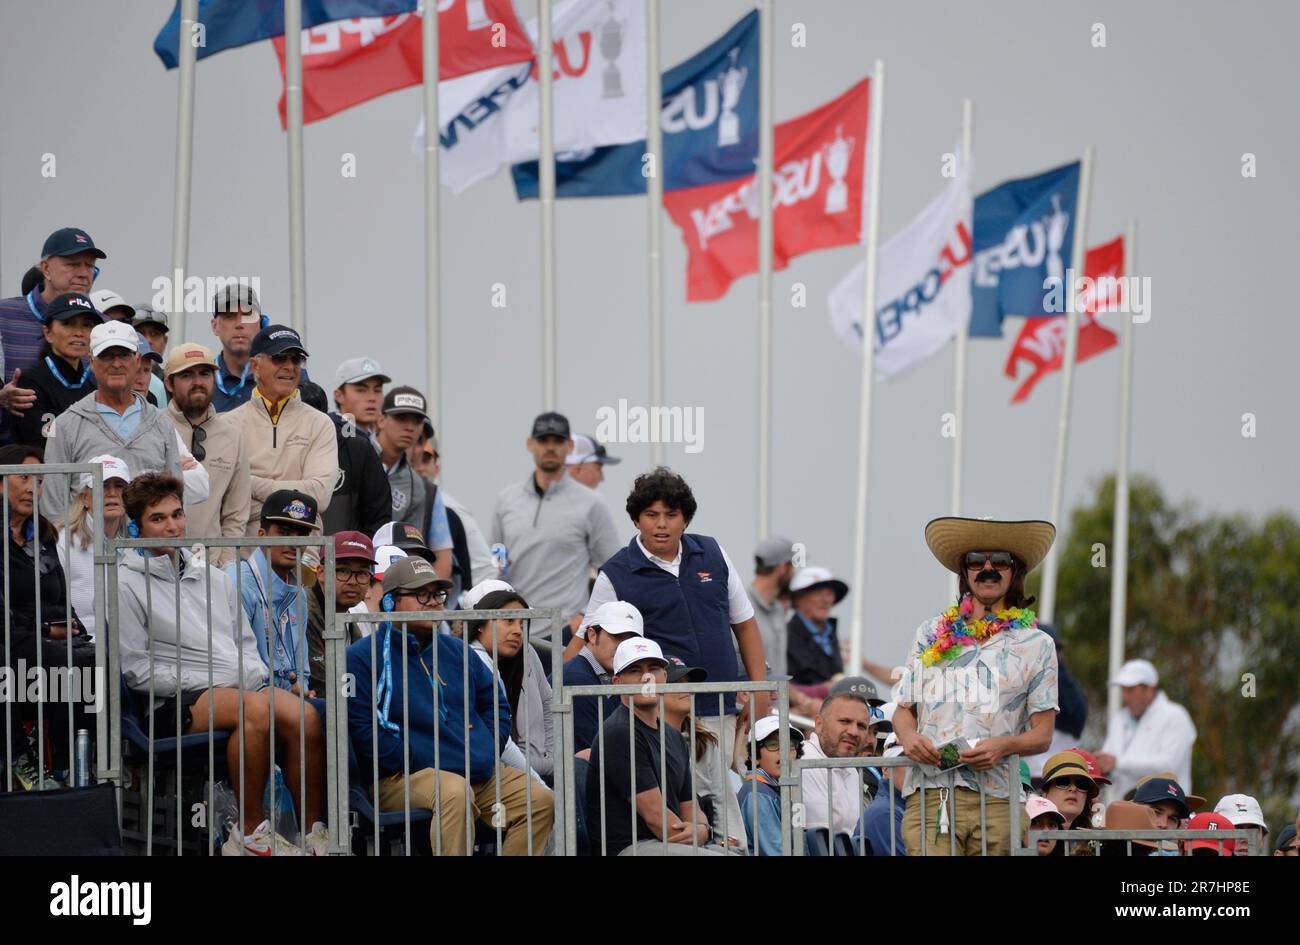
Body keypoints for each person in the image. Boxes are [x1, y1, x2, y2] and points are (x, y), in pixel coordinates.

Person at [115, 472, 328, 856]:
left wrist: (248, 678)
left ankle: (311, 836)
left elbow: (245, 646)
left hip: (231, 689)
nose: (172, 526)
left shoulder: (214, 578)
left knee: (306, 716)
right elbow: (136, 670)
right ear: (137, 527)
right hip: (167, 703)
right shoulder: (124, 583)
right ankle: (248, 833)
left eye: (177, 514)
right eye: (158, 518)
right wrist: (214, 679)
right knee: (255, 707)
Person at [580, 467, 768, 806]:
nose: (661, 524)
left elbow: (745, 624)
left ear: (686, 519)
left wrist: (760, 690)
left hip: (721, 707)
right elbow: (588, 640)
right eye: (651, 514)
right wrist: (557, 686)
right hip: (661, 714)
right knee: (679, 802)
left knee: (721, 802)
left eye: (671, 514)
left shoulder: (713, 552)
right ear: (636, 520)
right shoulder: (615, 573)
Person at [346, 556, 553, 856]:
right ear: (390, 603)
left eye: (438, 594)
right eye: (422, 594)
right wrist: (411, 758)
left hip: (473, 771)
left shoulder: (457, 650)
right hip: (401, 778)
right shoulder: (362, 657)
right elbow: (361, 727)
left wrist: (486, 747)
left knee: (540, 800)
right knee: (453, 791)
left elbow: (495, 704)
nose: (433, 602)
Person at [894, 517, 1058, 857]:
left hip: (999, 799)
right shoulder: (930, 632)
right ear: (964, 572)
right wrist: (909, 738)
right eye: (976, 560)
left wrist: (1003, 745)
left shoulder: (1038, 644)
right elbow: (903, 711)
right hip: (932, 794)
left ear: (1015, 570)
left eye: (1000, 560)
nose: (987, 569)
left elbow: (1043, 735)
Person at [0, 444, 95, 790]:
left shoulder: (42, 535)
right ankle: (26, 760)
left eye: (38, 481)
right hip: (13, 642)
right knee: (72, 665)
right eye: (23, 478)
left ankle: (75, 765)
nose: (32, 488)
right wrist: (44, 630)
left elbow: (61, 597)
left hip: (46, 642)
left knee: (97, 661)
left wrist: (75, 627)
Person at [585, 637, 720, 856]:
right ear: (617, 682)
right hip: (631, 848)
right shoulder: (619, 732)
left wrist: (702, 829)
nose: (646, 677)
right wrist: (697, 837)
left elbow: (690, 807)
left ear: (664, 677)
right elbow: (657, 819)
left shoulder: (674, 736)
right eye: (635, 670)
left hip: (668, 844)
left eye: (654, 669)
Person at [494, 412, 620, 643]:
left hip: (564, 633)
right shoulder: (506, 500)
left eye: (558, 441)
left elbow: (614, 569)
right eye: (543, 440)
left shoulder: (591, 503)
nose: (550, 447)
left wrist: (586, 615)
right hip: (513, 632)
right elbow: (495, 561)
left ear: (569, 446)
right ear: (530, 444)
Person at [41, 320, 184, 522]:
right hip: (85, 542)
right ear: (91, 361)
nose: (116, 364)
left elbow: (176, 498)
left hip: (149, 543)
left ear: (137, 359)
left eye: (124, 355)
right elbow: (53, 505)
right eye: (106, 356)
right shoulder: (65, 425)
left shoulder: (162, 423)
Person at [230, 324, 336, 532]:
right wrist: (295, 500)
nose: (289, 366)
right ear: (255, 366)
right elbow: (226, 499)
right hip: (246, 547)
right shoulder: (229, 424)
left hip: (303, 547)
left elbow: (320, 496)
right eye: (279, 358)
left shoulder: (320, 424)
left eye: (296, 359)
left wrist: (248, 483)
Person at [0, 229, 105, 431]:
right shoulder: (3, 315)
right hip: (12, 446)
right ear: (46, 269)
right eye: (73, 264)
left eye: (90, 265)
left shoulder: (105, 325)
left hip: (89, 443)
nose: (83, 273)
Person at [226, 490, 322, 694]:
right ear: (262, 535)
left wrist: (301, 691)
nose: (293, 543)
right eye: (284, 533)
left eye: (301, 535)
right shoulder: (237, 581)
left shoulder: (299, 594)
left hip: (287, 698)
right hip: (250, 698)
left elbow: (302, 669)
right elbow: (233, 663)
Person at [164, 343, 251, 566]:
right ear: (169, 383)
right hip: (158, 564)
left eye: (205, 374)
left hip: (212, 569)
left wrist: (226, 565)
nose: (198, 382)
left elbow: (236, 514)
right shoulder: (154, 427)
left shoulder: (232, 435)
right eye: (187, 375)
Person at [463, 582, 554, 783]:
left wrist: (553, 758)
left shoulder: (526, 652)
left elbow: (550, 704)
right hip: (496, 775)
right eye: (508, 620)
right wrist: (538, 782)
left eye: (522, 623)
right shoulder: (473, 661)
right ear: (479, 622)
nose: (518, 631)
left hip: (536, 767)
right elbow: (500, 743)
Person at [659, 656, 746, 852]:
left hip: (708, 844)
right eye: (675, 683)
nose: (685, 688)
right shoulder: (643, 740)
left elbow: (722, 800)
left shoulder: (704, 741)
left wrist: (731, 843)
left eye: (687, 683)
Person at [374, 387, 452, 578]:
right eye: (401, 418)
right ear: (381, 420)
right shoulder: (357, 457)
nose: (409, 427)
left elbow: (424, 552)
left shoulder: (419, 487)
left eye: (417, 421)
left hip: (393, 579)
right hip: (347, 572)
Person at [297, 379, 390, 538]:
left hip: (345, 553)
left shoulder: (356, 449)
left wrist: (356, 551)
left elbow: (378, 519)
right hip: (286, 551)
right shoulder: (269, 448)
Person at [1097, 658, 1197, 800]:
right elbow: (1111, 765)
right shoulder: (1119, 719)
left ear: (1149, 690)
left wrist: (1117, 763)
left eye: (1130, 690)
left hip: (1167, 807)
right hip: (1123, 808)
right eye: (1123, 690)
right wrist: (1101, 767)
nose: (1125, 697)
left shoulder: (1175, 715)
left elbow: (1168, 766)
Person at [10, 292, 101, 446]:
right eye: (68, 323)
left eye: (86, 325)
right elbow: (42, 441)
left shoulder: (93, 382)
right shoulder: (31, 383)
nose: (79, 333)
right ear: (48, 333)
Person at [55, 454, 130, 638]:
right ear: (85, 498)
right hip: (79, 645)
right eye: (103, 486)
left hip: (127, 646)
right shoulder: (62, 541)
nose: (112, 493)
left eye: (119, 486)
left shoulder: (135, 543)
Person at [563, 600, 645, 752]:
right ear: (592, 635)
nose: (623, 647)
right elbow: (601, 752)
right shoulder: (574, 679)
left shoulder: (605, 676)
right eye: (617, 636)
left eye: (631, 640)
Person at [411, 428, 482, 599]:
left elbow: (481, 567)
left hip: (436, 603)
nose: (420, 466)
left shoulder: (453, 514)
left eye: (426, 459)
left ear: (436, 468)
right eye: (415, 459)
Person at [305, 531, 375, 695]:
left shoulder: (348, 621)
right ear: (321, 573)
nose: (353, 582)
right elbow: (323, 684)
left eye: (362, 574)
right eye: (343, 571)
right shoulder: (304, 611)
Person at [801, 691, 873, 835]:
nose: (854, 732)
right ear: (819, 724)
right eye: (845, 721)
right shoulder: (801, 759)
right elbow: (819, 837)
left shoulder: (851, 769)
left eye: (861, 726)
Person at [737, 713, 803, 856]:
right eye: (773, 745)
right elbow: (776, 852)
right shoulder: (758, 793)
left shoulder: (781, 789)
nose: (783, 751)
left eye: (790, 744)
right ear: (755, 756)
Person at [786, 565, 849, 697]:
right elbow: (778, 686)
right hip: (797, 710)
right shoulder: (784, 636)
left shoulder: (832, 636)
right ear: (798, 598)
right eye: (818, 593)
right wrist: (822, 690)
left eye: (829, 593)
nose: (825, 600)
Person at [746, 536, 795, 678]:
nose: (794, 573)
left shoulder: (778, 609)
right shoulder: (742, 608)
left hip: (779, 692)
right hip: (753, 693)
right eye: (792, 567)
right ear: (782, 568)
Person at [209, 284, 261, 413]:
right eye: (229, 316)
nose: (239, 324)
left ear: (260, 323)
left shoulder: (281, 377)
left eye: (247, 315)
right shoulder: (199, 381)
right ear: (215, 326)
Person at [1040, 750, 1100, 854]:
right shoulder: (1029, 830)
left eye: (1081, 784)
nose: (1073, 788)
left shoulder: (1095, 842)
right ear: (1045, 792)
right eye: (1063, 782)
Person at [855, 740, 909, 855]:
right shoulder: (884, 813)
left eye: (919, 762)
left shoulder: (898, 808)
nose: (915, 769)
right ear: (886, 770)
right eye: (906, 761)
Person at [331, 357, 388, 451]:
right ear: (339, 395)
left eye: (377, 390)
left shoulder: (373, 443)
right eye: (361, 390)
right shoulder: (332, 438)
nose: (372, 398)